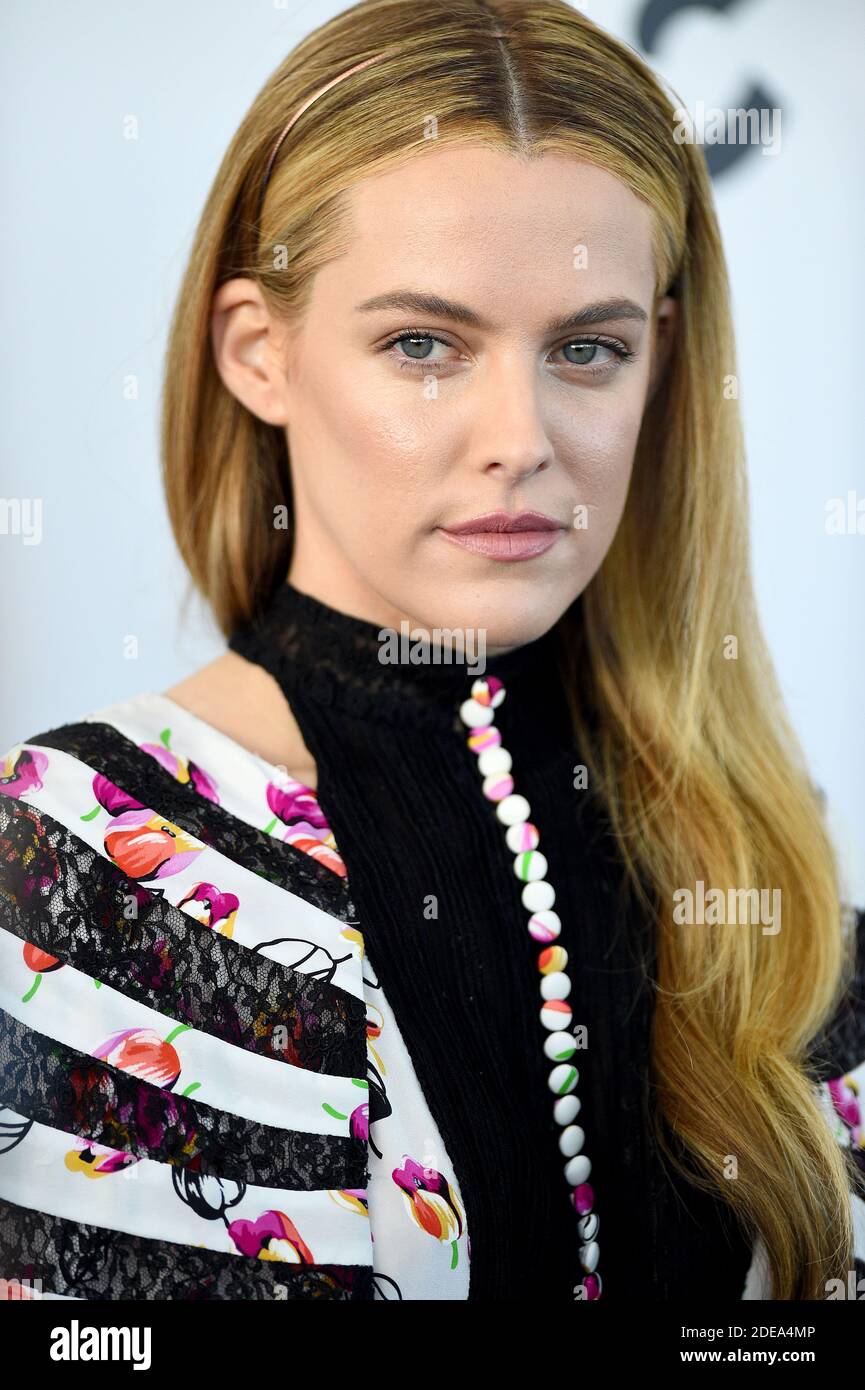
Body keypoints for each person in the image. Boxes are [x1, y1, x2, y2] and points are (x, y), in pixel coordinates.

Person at [1, 0, 863, 1302]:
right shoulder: (84, 850)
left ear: (660, 362)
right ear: (260, 352)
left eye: (587, 347)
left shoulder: (758, 860)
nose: (518, 435)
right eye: (423, 344)